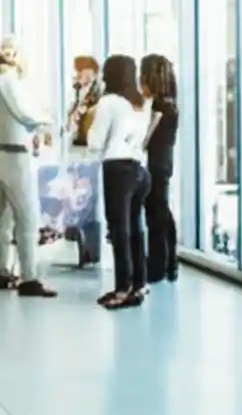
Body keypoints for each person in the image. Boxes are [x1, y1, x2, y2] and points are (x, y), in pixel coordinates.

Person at [0, 46, 58, 297]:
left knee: (3, 217)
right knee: (28, 215)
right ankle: (29, 277)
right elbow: (25, 114)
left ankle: (1, 271)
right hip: (14, 154)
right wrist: (46, 119)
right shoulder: (8, 83)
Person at [88, 55, 153, 309]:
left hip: (117, 169)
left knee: (119, 230)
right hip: (139, 168)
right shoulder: (138, 103)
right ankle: (139, 283)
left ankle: (122, 288)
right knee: (135, 228)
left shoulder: (109, 102)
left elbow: (96, 141)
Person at [141, 54, 179, 284]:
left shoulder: (160, 107)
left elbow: (147, 138)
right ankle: (169, 262)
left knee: (157, 214)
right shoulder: (168, 104)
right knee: (161, 211)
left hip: (157, 164)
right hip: (162, 162)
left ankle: (158, 265)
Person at [67, 56, 103, 147]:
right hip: (78, 141)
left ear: (91, 71)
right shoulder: (78, 91)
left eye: (80, 70)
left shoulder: (98, 91)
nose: (77, 74)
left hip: (90, 144)